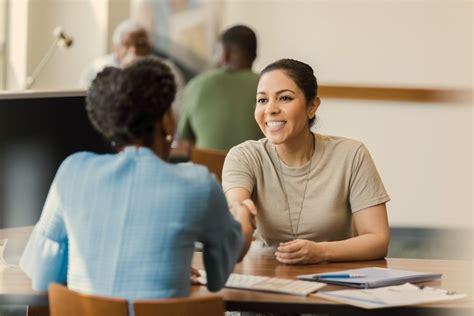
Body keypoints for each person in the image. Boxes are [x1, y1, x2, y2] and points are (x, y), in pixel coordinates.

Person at [20, 57, 254, 308]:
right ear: (166, 120)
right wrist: (244, 217)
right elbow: (221, 271)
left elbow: (43, 276)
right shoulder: (198, 184)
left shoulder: (73, 171)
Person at [223, 59, 390, 264]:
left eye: (284, 98)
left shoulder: (352, 154)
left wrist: (321, 252)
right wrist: (241, 212)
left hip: (331, 279)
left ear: (312, 106)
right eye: (262, 100)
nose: (271, 109)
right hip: (262, 274)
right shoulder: (243, 155)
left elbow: (378, 239)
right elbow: (237, 205)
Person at [176, 25, 264, 153]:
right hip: (254, 171)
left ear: (225, 53)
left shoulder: (197, 85)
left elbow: (185, 141)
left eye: (216, 51)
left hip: (208, 169)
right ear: (254, 55)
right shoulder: (268, 86)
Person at [79, 20, 185, 119]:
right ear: (115, 48)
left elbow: (178, 108)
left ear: (150, 47)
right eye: (126, 44)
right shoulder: (97, 68)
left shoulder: (167, 70)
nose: (134, 50)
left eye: (140, 44)